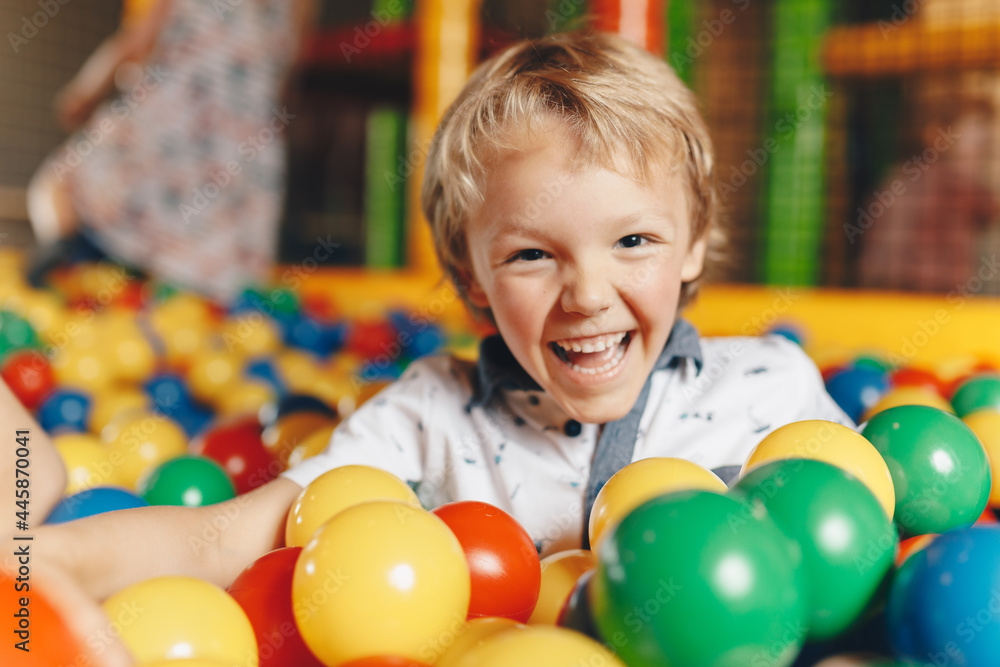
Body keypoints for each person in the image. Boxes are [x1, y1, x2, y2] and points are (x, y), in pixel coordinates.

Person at [12, 30, 849, 666]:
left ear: (694, 242)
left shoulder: (770, 395)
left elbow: (859, 568)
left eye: (634, 240)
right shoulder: (429, 417)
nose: (589, 294)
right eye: (532, 254)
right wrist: (44, 562)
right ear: (471, 275)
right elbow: (227, 538)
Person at [26, 0, 317, 302]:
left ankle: (61, 245)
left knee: (59, 181)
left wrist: (85, 92)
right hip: (245, 132)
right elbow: (291, 57)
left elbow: (137, 40)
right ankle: (177, 287)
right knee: (207, 243)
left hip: (174, 113)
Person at [856, 94, 998, 292]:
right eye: (978, 144)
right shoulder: (951, 183)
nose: (985, 148)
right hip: (926, 289)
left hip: (883, 287)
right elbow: (989, 205)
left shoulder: (900, 176)